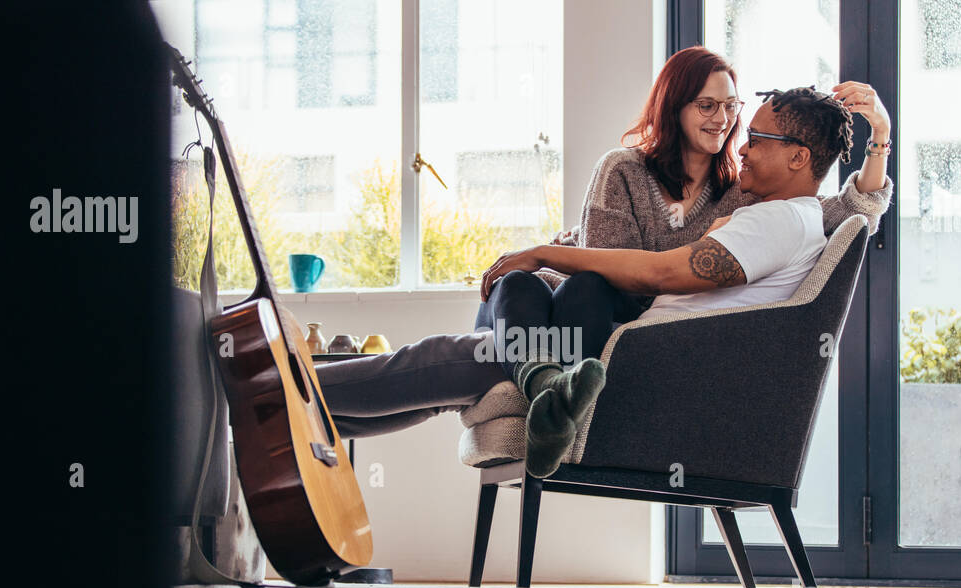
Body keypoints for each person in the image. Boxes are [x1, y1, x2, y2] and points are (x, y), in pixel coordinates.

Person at [319, 85, 881, 478]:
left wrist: (543, 252)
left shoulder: (780, 219)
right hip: (628, 357)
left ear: (798, 158)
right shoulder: (788, 217)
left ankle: (285, 392)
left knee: (447, 357)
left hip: (630, 367)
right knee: (467, 356)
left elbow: (664, 270)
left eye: (756, 136)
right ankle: (295, 420)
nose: (741, 145)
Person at [472, 47, 892, 383]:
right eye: (707, 105)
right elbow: (598, 264)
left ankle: (548, 387)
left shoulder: (745, 190)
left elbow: (852, 215)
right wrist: (550, 252)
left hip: (625, 321)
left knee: (574, 289)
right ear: (674, 106)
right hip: (586, 307)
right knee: (521, 285)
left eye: (731, 105)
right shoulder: (623, 169)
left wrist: (880, 136)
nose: (724, 119)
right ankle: (542, 383)